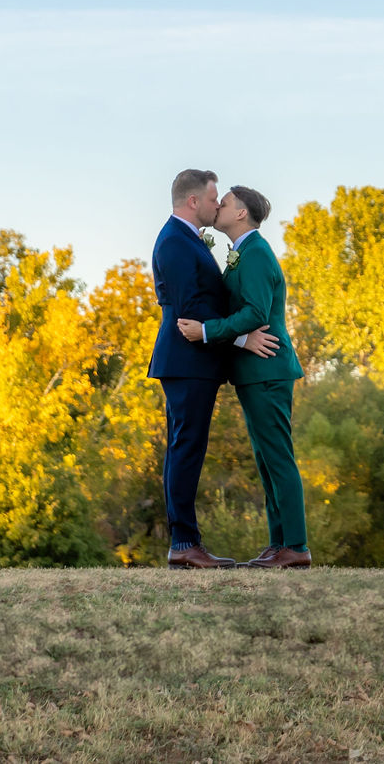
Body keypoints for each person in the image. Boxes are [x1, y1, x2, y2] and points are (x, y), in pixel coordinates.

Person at [148, 169, 278, 570]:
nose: (216, 204)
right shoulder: (175, 242)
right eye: (212, 198)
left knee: (186, 447)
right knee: (185, 449)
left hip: (192, 361)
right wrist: (241, 339)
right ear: (193, 202)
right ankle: (184, 543)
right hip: (186, 360)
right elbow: (191, 311)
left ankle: (185, 542)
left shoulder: (186, 239)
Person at [178, 185, 310, 569]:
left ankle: (296, 546)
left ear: (241, 214)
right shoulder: (242, 253)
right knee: (266, 460)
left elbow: (255, 312)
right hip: (253, 372)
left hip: (267, 368)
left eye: (225, 203)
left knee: (278, 457)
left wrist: (207, 331)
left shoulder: (255, 254)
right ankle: (278, 543)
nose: (218, 206)